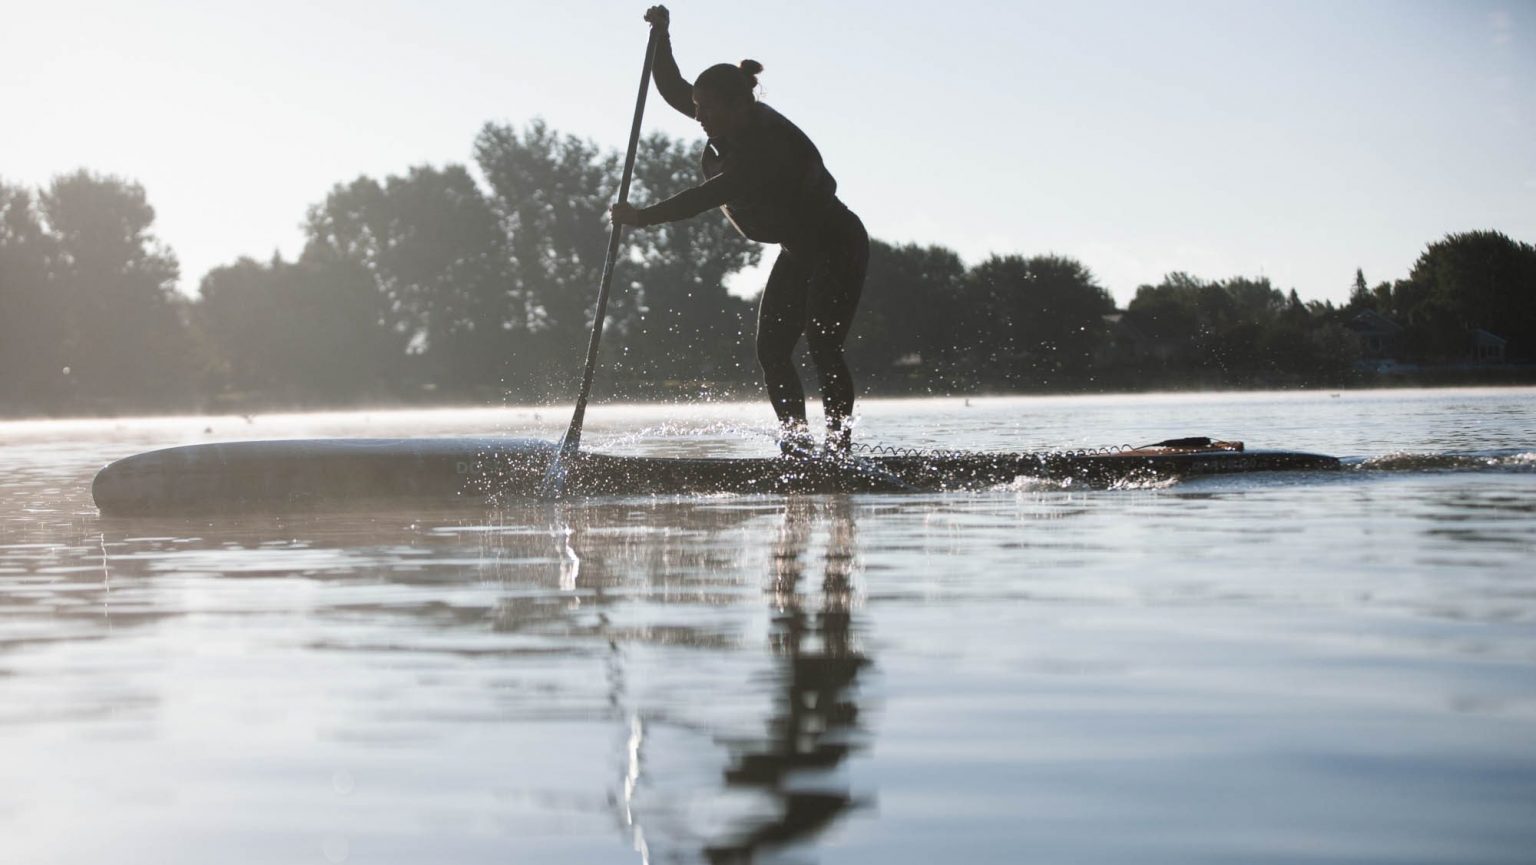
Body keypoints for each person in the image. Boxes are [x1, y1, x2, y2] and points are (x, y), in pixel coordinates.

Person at [609, 5, 869, 457]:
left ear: (738, 105)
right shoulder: (724, 117)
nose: (699, 116)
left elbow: (707, 196)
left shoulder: (766, 146)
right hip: (797, 251)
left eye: (707, 108)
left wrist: (642, 217)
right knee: (772, 352)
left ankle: (839, 450)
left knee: (823, 344)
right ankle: (798, 447)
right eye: (698, 107)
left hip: (838, 243)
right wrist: (662, 36)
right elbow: (671, 87)